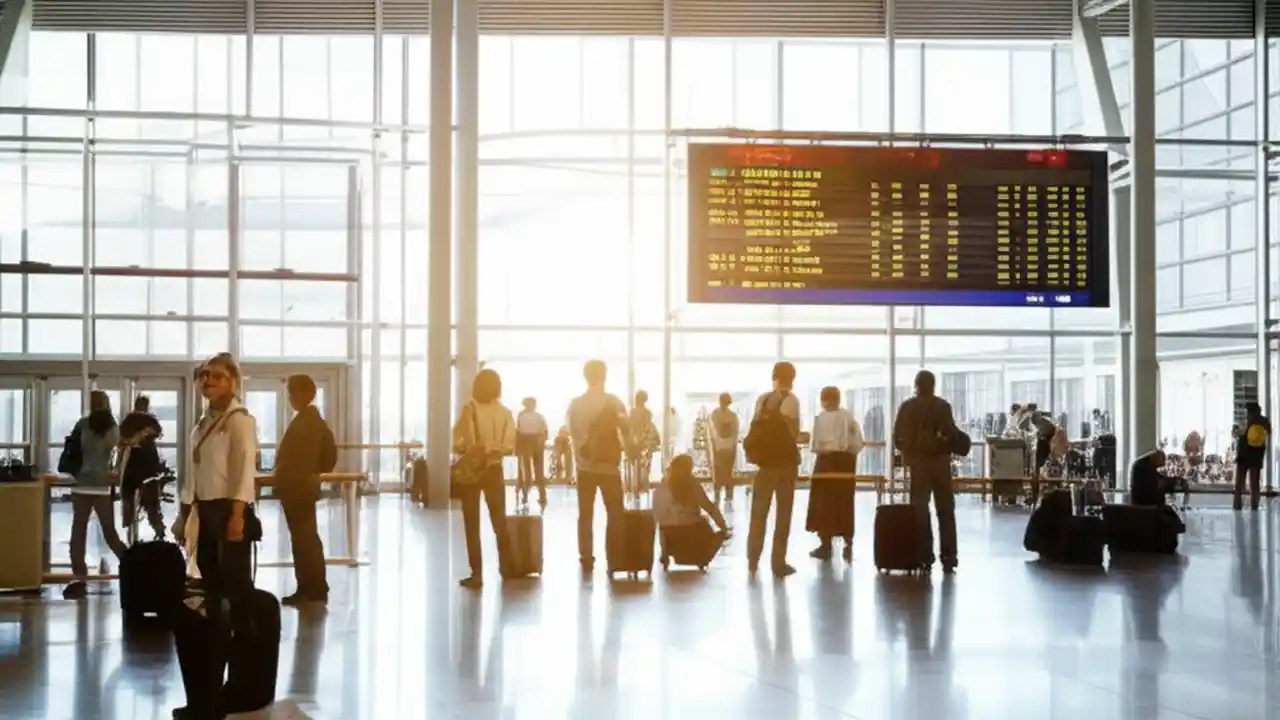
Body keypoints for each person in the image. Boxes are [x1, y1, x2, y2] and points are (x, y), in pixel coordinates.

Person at [173, 353, 260, 719]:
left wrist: (237, 515)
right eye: (204, 375)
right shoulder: (204, 421)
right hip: (205, 511)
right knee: (212, 593)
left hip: (228, 511)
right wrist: (184, 513)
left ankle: (243, 684)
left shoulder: (240, 421)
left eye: (217, 376)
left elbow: (243, 470)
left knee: (236, 596)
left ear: (233, 382)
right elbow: (193, 473)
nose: (207, 381)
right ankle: (213, 687)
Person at [275, 374, 337, 606]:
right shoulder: (312, 420)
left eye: (292, 392)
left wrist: (306, 474)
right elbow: (329, 454)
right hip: (301, 486)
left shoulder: (307, 422)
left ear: (305, 394)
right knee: (306, 539)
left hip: (298, 488)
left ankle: (310, 588)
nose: (290, 398)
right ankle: (315, 585)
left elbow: (325, 455)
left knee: (304, 540)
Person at [452, 368, 516, 589]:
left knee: (472, 524)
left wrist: (468, 448)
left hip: (472, 471)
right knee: (499, 521)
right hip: (494, 469)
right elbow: (509, 446)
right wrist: (492, 448)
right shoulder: (505, 413)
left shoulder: (469, 409)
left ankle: (477, 574)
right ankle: (507, 569)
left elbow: (457, 441)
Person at [62, 390, 127, 601]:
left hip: (81, 483)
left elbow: (73, 448)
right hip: (101, 485)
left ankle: (79, 576)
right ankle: (130, 564)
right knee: (109, 531)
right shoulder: (112, 428)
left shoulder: (82, 424)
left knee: (78, 530)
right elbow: (115, 450)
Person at [892, 370, 958, 574]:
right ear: (933, 385)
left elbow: (897, 437)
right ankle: (949, 557)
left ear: (916, 385)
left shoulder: (907, 407)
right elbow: (951, 434)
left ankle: (923, 556)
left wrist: (910, 453)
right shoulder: (943, 406)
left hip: (918, 465)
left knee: (919, 510)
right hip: (940, 464)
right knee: (945, 510)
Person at [567, 359, 628, 573]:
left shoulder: (576, 404)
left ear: (585, 376)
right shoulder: (615, 402)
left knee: (585, 513)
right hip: (610, 468)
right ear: (605, 375)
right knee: (615, 512)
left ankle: (586, 555)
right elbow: (625, 429)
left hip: (585, 468)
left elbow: (573, 435)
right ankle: (614, 555)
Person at [746, 361, 802, 578]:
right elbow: (794, 433)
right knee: (783, 515)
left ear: (773, 377)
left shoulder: (762, 400)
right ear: (792, 379)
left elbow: (755, 428)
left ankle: (753, 559)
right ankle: (778, 562)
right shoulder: (792, 401)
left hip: (764, 466)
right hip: (785, 465)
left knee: (758, 514)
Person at [806, 386, 864, 562]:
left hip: (826, 463)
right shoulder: (848, 416)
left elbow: (815, 445)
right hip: (846, 463)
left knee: (823, 502)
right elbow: (857, 442)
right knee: (844, 501)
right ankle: (848, 542)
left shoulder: (820, 418)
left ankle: (826, 544)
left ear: (823, 401)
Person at [654, 454, 729, 568]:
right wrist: (723, 526)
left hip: (669, 533)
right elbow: (709, 507)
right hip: (693, 530)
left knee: (663, 528)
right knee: (707, 525)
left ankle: (665, 553)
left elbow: (658, 516)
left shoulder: (661, 488)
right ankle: (702, 558)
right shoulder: (693, 486)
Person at [119, 395, 165, 541]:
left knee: (129, 494)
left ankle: (130, 525)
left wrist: (135, 439)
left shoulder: (129, 420)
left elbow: (122, 439)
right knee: (151, 501)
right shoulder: (150, 421)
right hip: (148, 462)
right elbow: (158, 432)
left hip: (135, 461)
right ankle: (158, 529)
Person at [1235, 401, 1270, 511]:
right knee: (1255, 481)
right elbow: (1268, 434)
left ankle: (1237, 503)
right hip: (1257, 455)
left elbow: (1241, 435)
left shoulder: (1248, 421)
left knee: (1240, 480)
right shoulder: (1265, 421)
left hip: (1244, 454)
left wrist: (1237, 433)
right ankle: (1255, 503)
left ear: (1249, 411)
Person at [515, 397, 549, 508]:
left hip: (525, 442)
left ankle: (525, 496)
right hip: (538, 441)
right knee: (539, 471)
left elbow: (518, 431)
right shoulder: (540, 416)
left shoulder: (521, 416)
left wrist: (517, 448)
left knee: (526, 471)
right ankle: (542, 496)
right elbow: (545, 432)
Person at [709, 393, 740, 506]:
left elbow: (713, 433)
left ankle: (724, 495)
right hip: (724, 447)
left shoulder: (716, 414)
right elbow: (734, 433)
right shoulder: (730, 416)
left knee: (723, 472)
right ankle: (723, 496)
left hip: (722, 447)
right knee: (723, 472)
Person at [628, 390, 661, 495]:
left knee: (635, 466)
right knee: (646, 465)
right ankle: (644, 486)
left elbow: (630, 428)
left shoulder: (632, 412)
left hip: (635, 442)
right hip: (646, 441)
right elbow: (648, 427)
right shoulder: (647, 412)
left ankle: (636, 486)